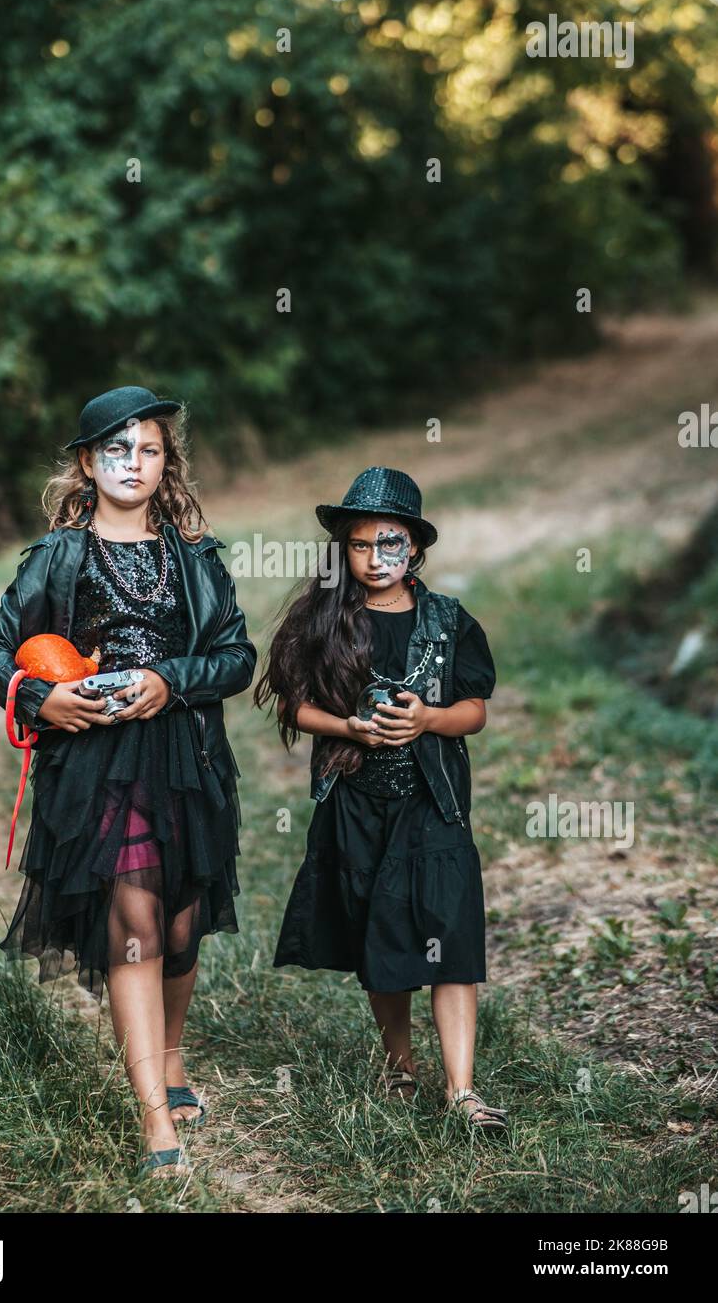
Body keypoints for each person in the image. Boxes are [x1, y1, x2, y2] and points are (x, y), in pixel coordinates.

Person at [0, 385, 256, 1174]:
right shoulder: (56, 558)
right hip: (98, 767)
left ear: (168, 464)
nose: (134, 462)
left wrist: (172, 681)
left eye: (150, 449)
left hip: (186, 762)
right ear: (89, 463)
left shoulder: (196, 561)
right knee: (134, 924)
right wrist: (40, 696)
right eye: (117, 449)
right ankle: (155, 1117)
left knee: (182, 927)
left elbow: (237, 657)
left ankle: (170, 1055)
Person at [254, 466, 508, 1133]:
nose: (375, 558)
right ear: (345, 550)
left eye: (389, 543)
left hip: (435, 801)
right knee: (382, 935)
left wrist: (427, 719)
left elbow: (475, 710)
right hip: (359, 802)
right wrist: (348, 728)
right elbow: (296, 706)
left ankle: (462, 1092)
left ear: (416, 549)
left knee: (452, 936)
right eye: (360, 544)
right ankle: (399, 1066)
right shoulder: (325, 620)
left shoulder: (448, 621)